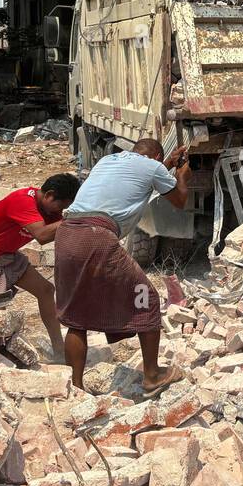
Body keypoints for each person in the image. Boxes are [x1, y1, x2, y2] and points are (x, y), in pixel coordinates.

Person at [55, 138, 190, 394]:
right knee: (146, 298)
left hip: (67, 233)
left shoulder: (108, 160)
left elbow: (137, 178)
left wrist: (165, 165)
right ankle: (152, 375)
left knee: (77, 316)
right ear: (156, 156)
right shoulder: (153, 168)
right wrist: (182, 174)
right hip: (97, 236)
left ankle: (75, 387)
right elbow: (180, 200)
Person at [0, 174, 79, 360]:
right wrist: (74, 220)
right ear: (49, 195)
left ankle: (59, 349)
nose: (62, 211)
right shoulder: (23, 201)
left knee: (46, 290)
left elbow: (61, 235)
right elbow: (42, 235)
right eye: (62, 206)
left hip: (7, 254)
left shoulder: (50, 212)